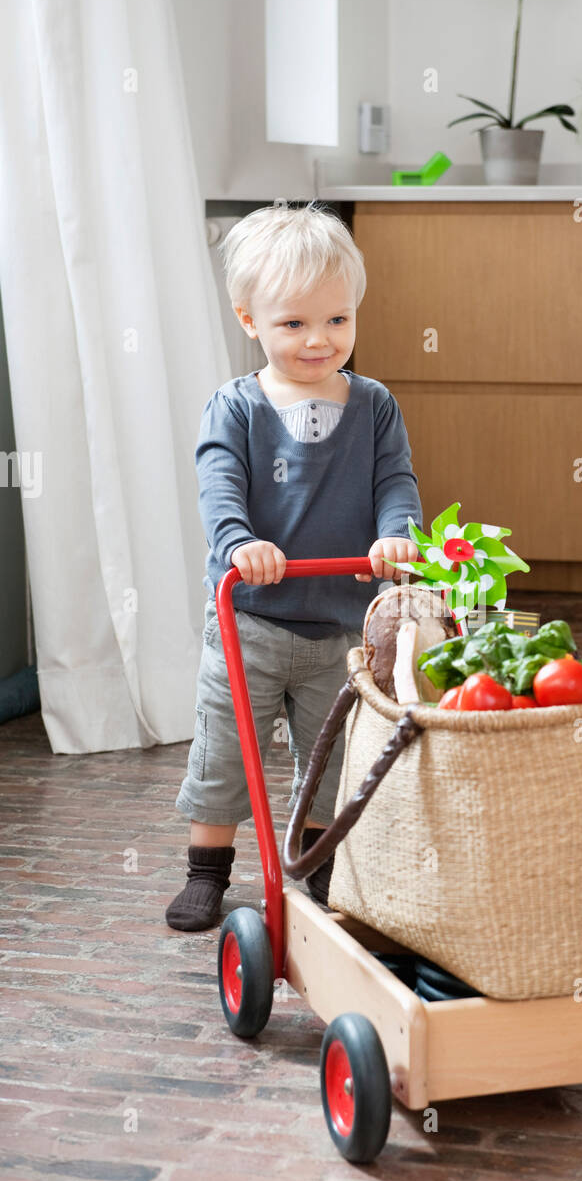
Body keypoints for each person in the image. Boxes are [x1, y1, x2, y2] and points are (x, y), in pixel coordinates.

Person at [166, 201, 422, 929]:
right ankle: (206, 873)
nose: (319, 340)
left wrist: (397, 531)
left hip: (339, 625)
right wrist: (241, 543)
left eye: (337, 321)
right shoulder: (235, 409)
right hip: (250, 621)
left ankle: (319, 870)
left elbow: (395, 483)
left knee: (329, 759)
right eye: (294, 324)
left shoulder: (374, 406)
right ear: (250, 322)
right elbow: (219, 491)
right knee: (223, 751)